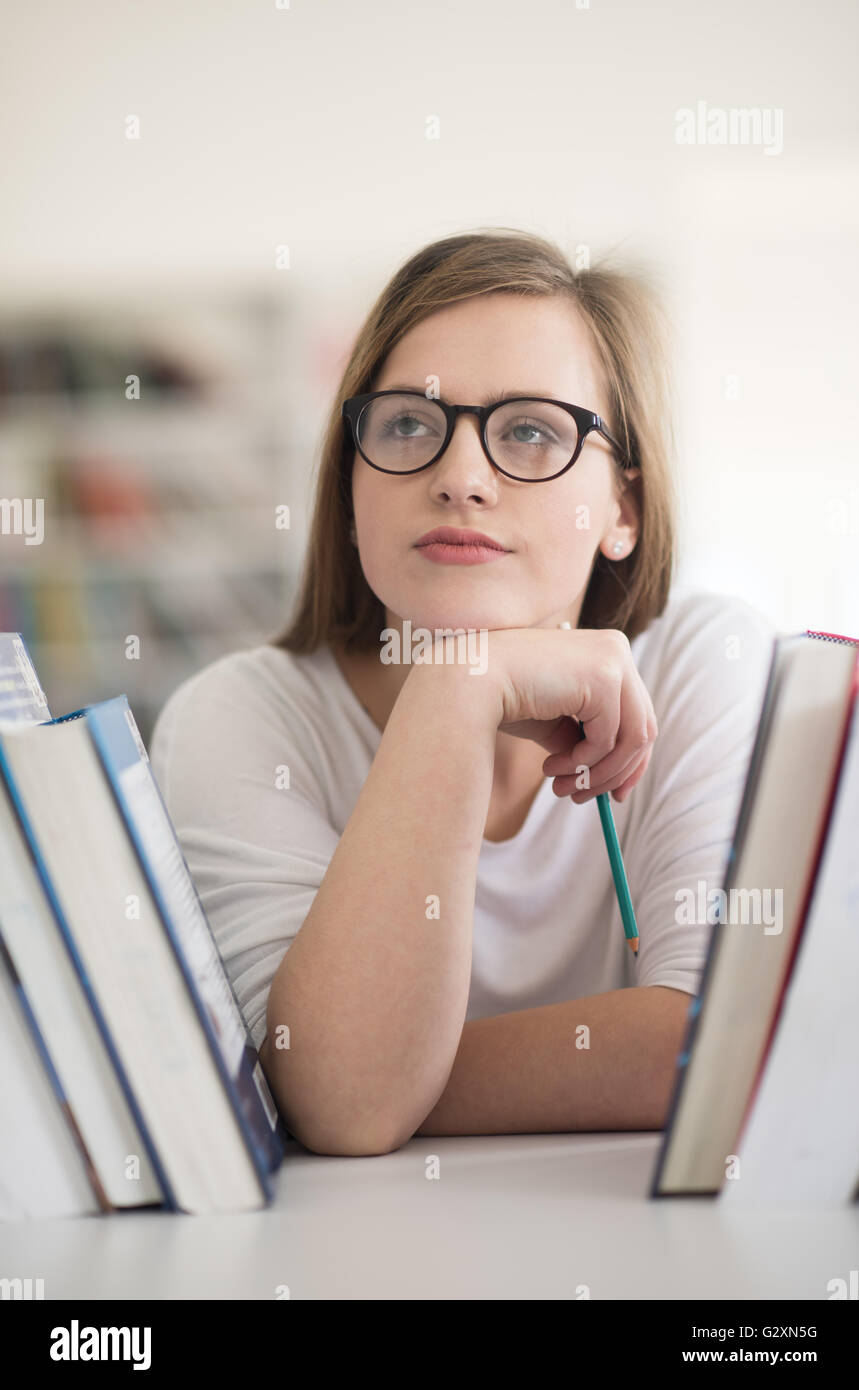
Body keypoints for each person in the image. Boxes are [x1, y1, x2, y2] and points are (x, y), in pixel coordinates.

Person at [149, 228, 775, 1157]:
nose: (460, 477)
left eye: (530, 431)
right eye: (406, 423)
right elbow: (351, 1109)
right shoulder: (238, 721)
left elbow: (710, 1045)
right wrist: (456, 688)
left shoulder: (702, 663)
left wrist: (357, 1078)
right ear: (351, 480)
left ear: (622, 510)